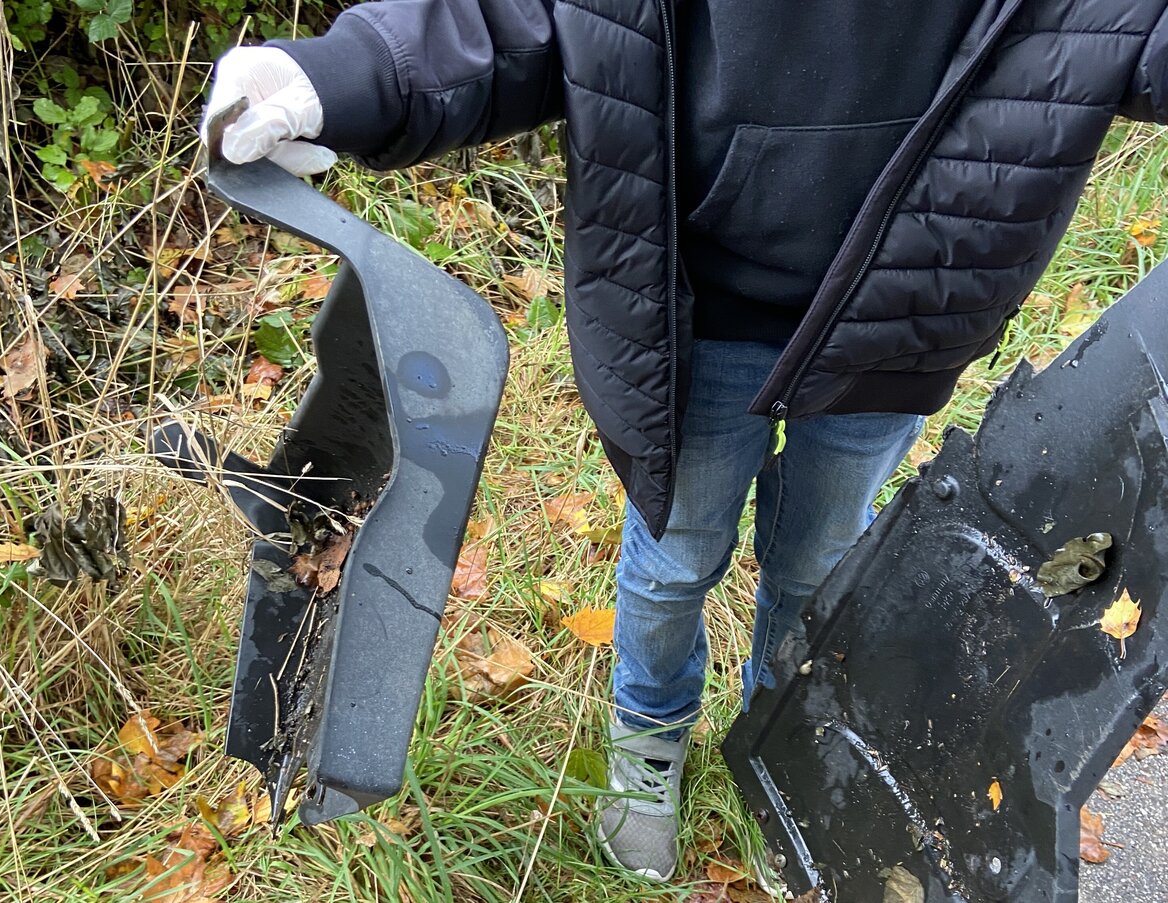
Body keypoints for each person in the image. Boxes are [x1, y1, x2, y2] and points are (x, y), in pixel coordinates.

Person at [203, 0, 1168, 883]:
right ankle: (650, 740)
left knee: (825, 558)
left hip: (899, 322)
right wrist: (340, 77)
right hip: (698, 321)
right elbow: (516, 21)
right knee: (674, 562)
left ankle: (785, 730)